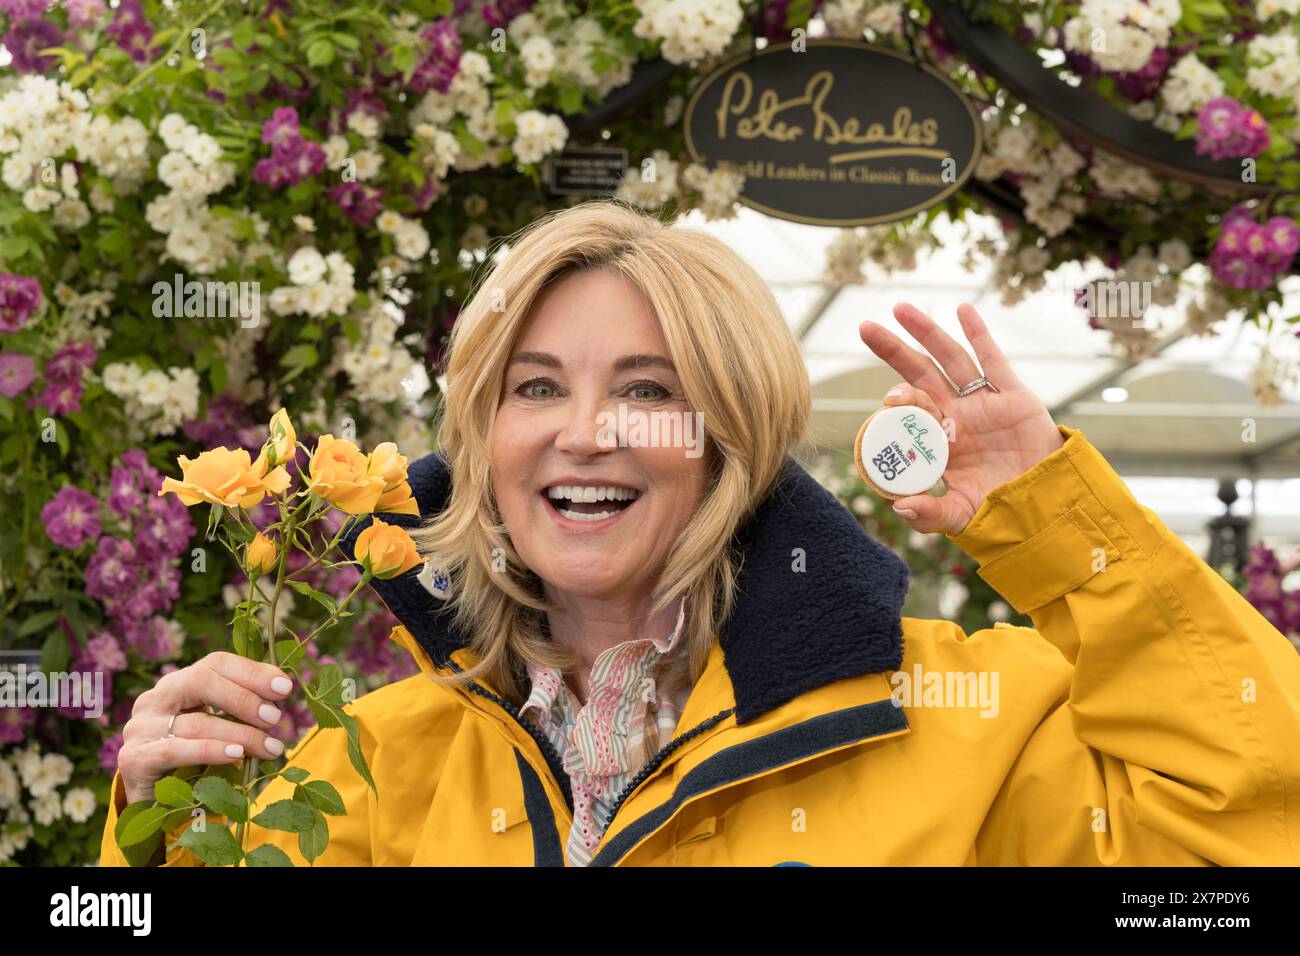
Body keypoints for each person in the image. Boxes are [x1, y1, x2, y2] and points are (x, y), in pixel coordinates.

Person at [100, 199, 1300, 867]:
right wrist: (148, 843)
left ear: (728, 435)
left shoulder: (973, 716)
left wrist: (1060, 522)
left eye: (646, 388)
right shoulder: (373, 758)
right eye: (531, 388)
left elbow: (1248, 839)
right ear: (480, 439)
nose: (584, 433)